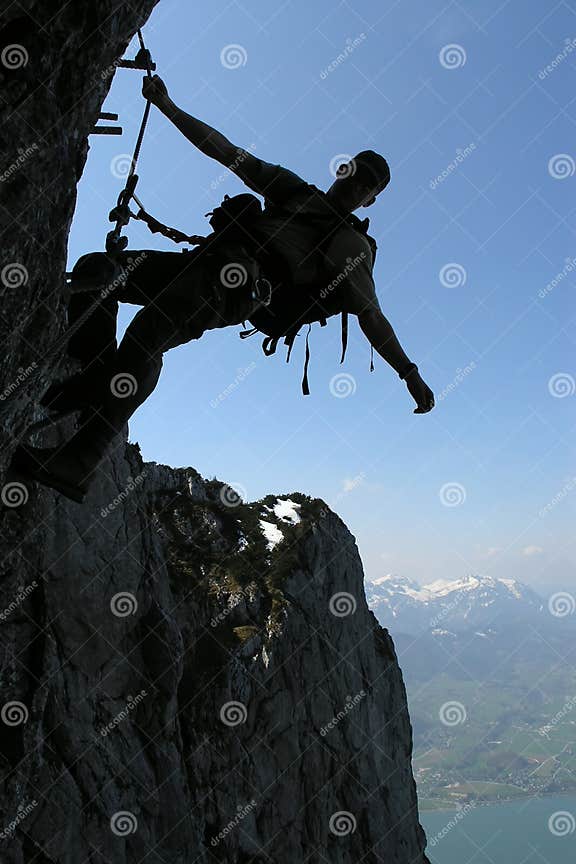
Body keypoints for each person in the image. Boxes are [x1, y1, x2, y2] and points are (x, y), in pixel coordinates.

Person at [13, 75, 434, 503]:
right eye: (357, 173)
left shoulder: (351, 245)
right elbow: (229, 153)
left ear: (371, 201)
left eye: (368, 185)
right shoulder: (293, 191)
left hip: (237, 286)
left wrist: (408, 372)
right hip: (202, 264)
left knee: (148, 331)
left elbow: (371, 315)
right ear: (343, 169)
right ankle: (96, 374)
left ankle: (80, 459)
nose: (357, 184)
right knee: (98, 269)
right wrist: (169, 107)